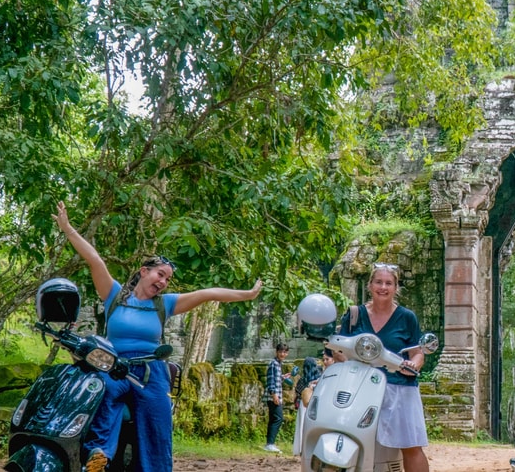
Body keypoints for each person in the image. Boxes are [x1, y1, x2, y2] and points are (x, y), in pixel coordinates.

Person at [53, 201, 262, 472]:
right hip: (114, 366)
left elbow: (208, 293)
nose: (163, 282)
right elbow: (95, 260)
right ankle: (98, 455)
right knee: (102, 394)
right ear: (144, 271)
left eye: (167, 279)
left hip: (150, 371)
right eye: (160, 274)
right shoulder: (114, 295)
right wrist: (68, 228)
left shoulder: (165, 304)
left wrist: (247, 294)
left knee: (157, 421)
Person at [337, 263, 430, 471]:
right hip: (359, 387)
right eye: (378, 282)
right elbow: (338, 348)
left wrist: (412, 365)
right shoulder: (354, 315)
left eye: (389, 283)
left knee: (412, 446)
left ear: (396, 288)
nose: (383, 287)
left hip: (399, 387)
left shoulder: (407, 318)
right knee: (348, 439)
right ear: (370, 285)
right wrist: (348, 361)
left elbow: (418, 353)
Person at [291, 355, 324, 455]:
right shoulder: (320, 378)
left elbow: (298, 392)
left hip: (303, 404)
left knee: (302, 426)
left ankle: (301, 448)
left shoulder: (303, 380)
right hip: (316, 404)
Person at [264, 342, 289, 453]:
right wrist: (274, 395)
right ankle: (270, 444)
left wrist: (283, 377)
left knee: (273, 419)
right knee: (278, 418)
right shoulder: (273, 364)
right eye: (280, 352)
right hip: (273, 396)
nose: (282, 354)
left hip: (276, 396)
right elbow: (270, 380)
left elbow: (276, 379)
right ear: (276, 352)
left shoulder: (278, 364)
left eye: (284, 352)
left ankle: (269, 443)